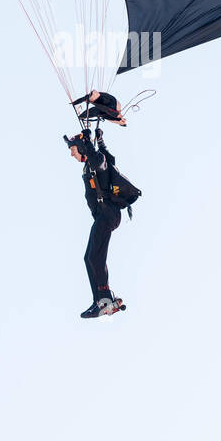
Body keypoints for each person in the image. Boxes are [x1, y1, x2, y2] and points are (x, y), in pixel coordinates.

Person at [67, 127, 127, 318]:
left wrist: (89, 145)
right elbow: (106, 161)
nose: (71, 154)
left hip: (108, 214)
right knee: (89, 258)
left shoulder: (96, 160)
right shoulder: (90, 164)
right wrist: (98, 141)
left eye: (73, 150)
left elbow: (101, 163)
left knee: (95, 257)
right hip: (104, 216)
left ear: (82, 149)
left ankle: (104, 300)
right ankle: (99, 302)